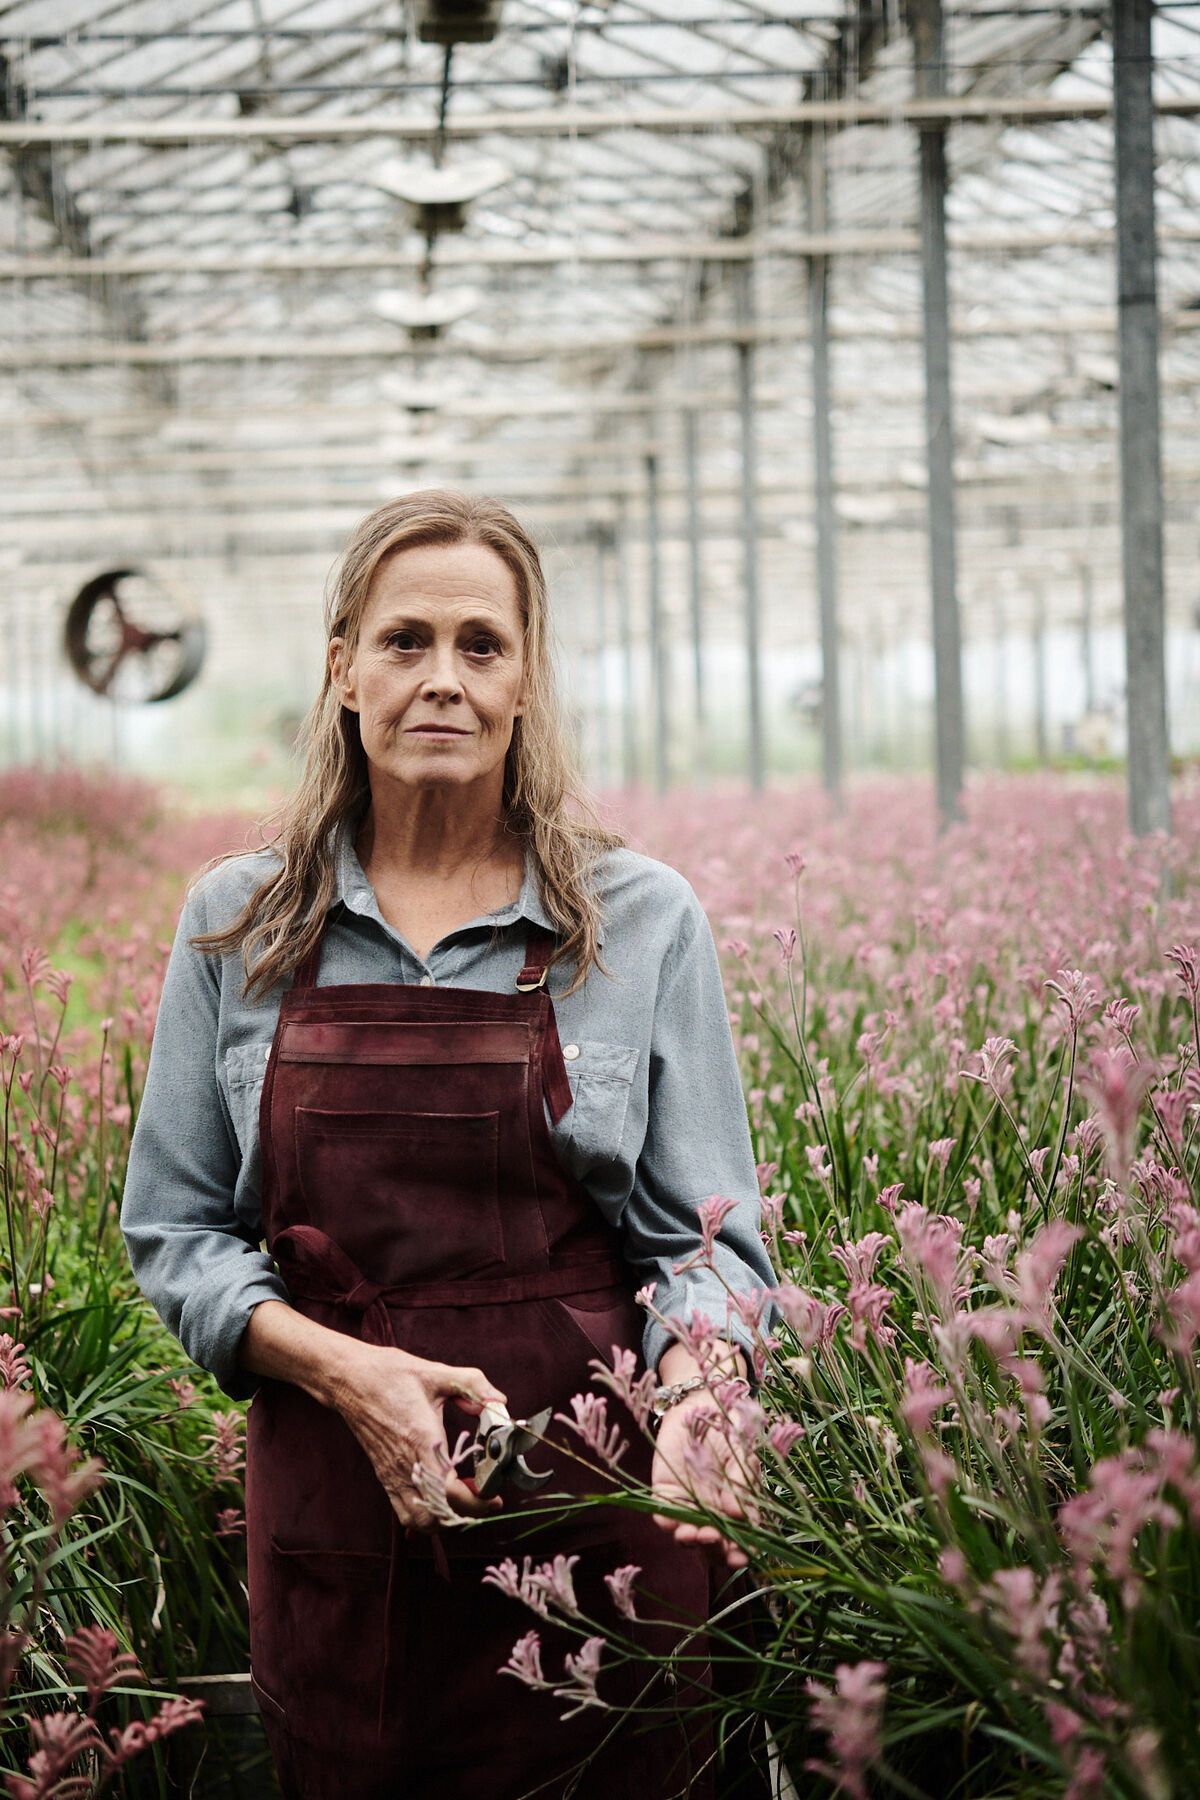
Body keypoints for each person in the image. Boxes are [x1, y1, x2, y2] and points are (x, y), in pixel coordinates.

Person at [120, 490, 779, 1799]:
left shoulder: (642, 921)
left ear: (526, 679)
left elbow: (708, 1239)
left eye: (482, 645)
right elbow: (175, 1233)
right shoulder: (240, 923)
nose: (442, 679)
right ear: (343, 670)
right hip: (339, 1509)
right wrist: (349, 1374)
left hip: (602, 1509)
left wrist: (704, 1388)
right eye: (404, 640)